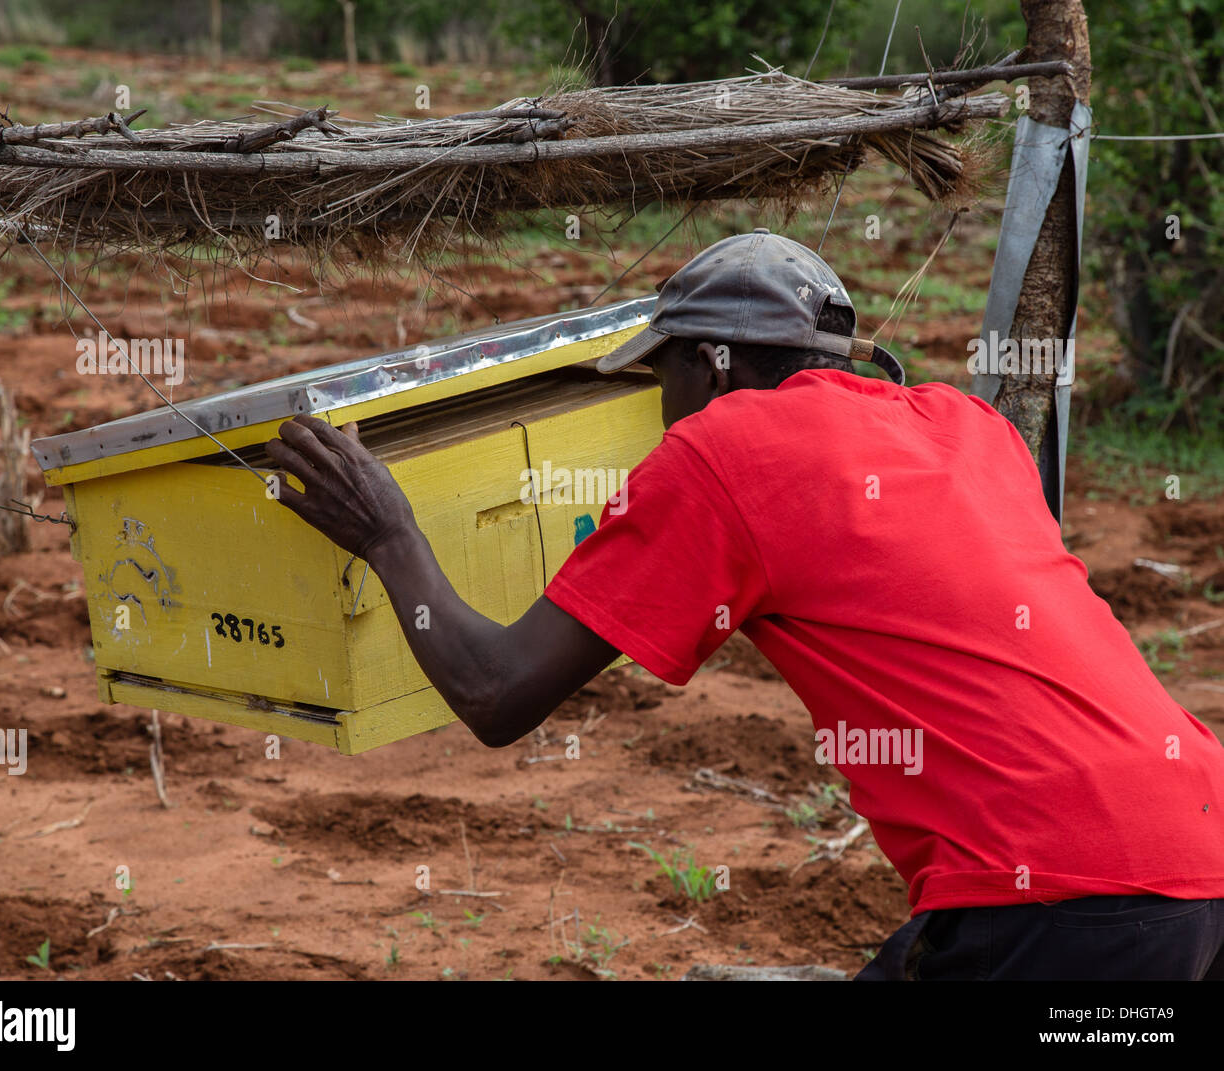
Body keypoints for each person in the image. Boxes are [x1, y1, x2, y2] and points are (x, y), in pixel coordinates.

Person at [265, 229, 1224, 980]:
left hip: (1066, 895)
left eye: (662, 375)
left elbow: (497, 691)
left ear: (711, 365)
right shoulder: (966, 425)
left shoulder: (726, 448)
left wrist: (389, 534)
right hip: (1199, 846)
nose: (660, 409)